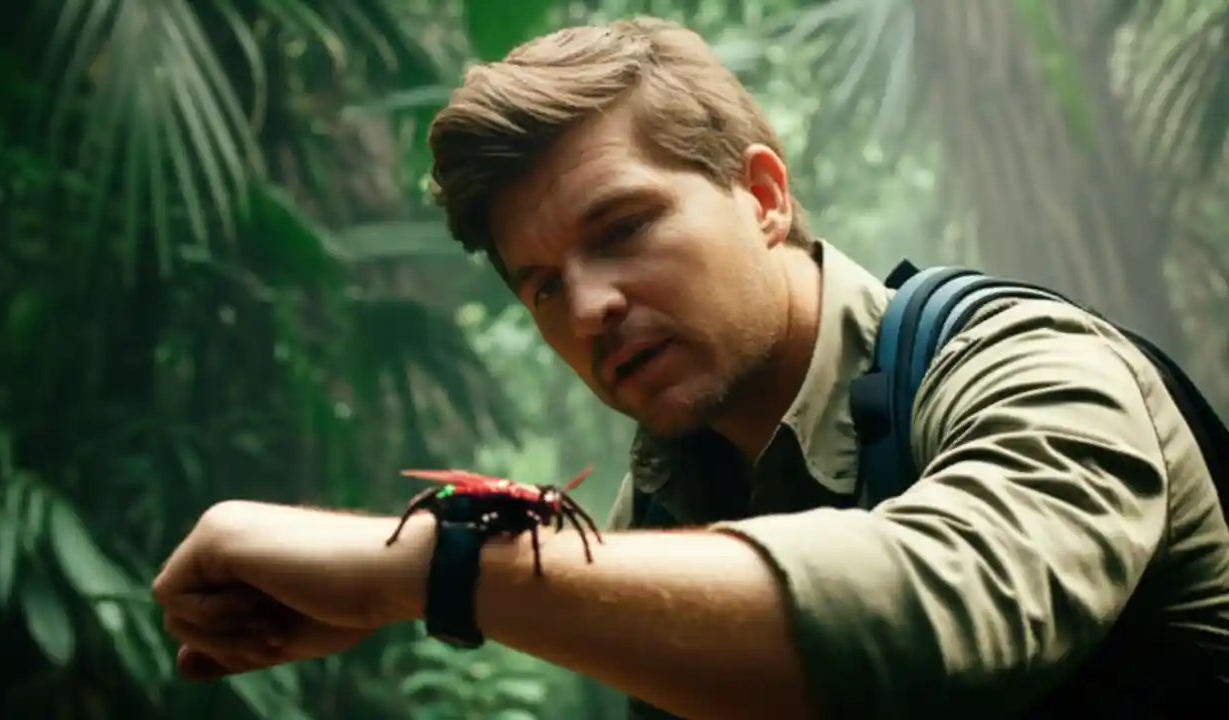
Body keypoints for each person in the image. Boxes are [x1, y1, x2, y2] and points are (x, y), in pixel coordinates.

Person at [151, 16, 1229, 719]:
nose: (585, 307)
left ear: (763, 197)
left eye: (621, 228)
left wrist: (426, 571)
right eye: (538, 285)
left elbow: (936, 617)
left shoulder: (1029, 367)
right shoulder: (666, 498)